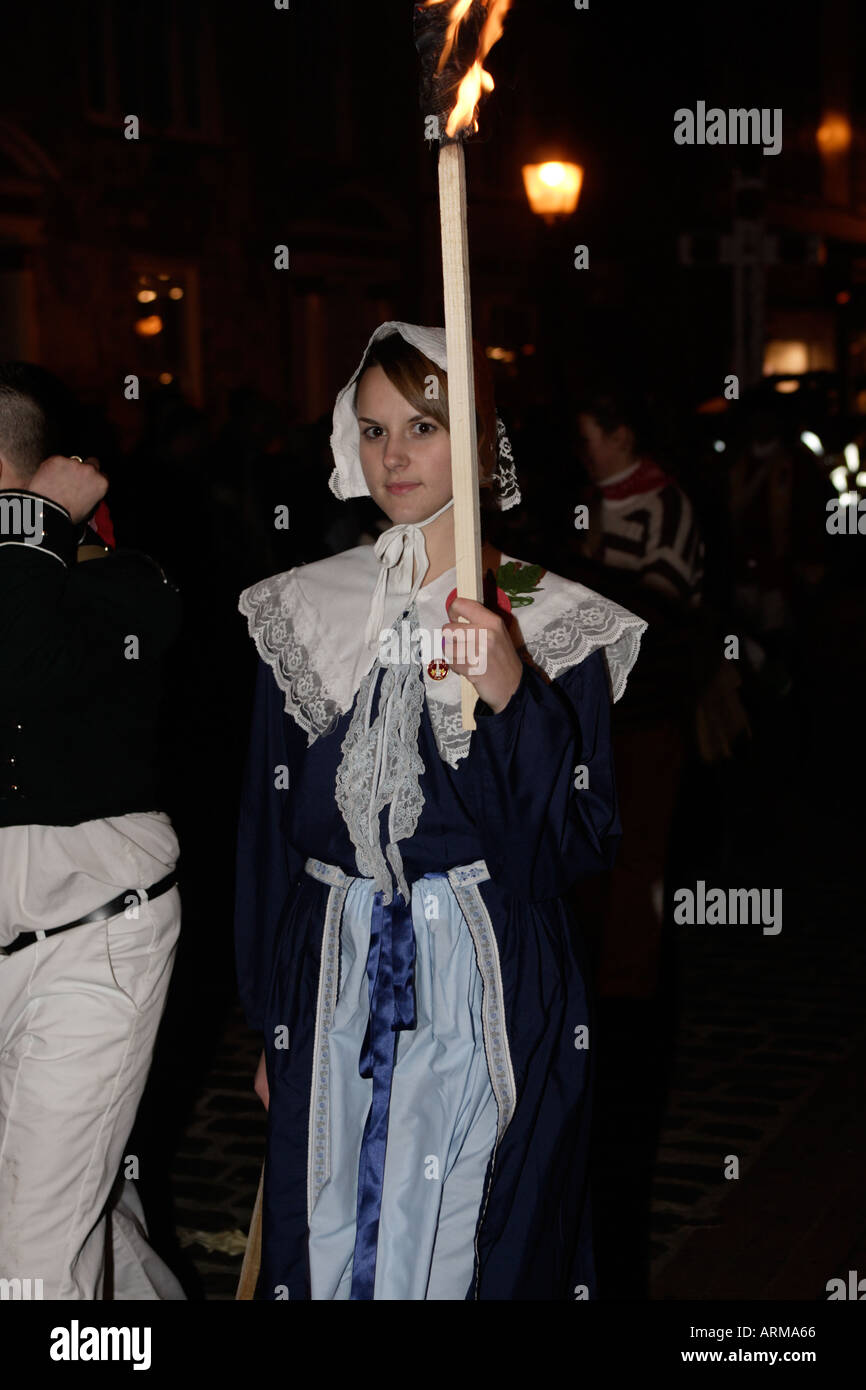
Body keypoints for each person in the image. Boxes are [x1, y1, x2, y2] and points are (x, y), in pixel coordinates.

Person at [234, 323, 646, 1301]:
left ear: (474, 438)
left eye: (422, 425)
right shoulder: (303, 606)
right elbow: (265, 833)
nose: (393, 455)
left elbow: (575, 843)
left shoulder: (546, 615)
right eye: (373, 429)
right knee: (333, 1239)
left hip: (486, 974)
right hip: (331, 973)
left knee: (473, 1238)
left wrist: (513, 697)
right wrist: (268, 1019)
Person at [0, 362, 185, 1300]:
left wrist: (36, 528)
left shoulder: (128, 585)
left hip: (94, 944)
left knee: (31, 1258)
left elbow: (24, 670)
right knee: (80, 1213)